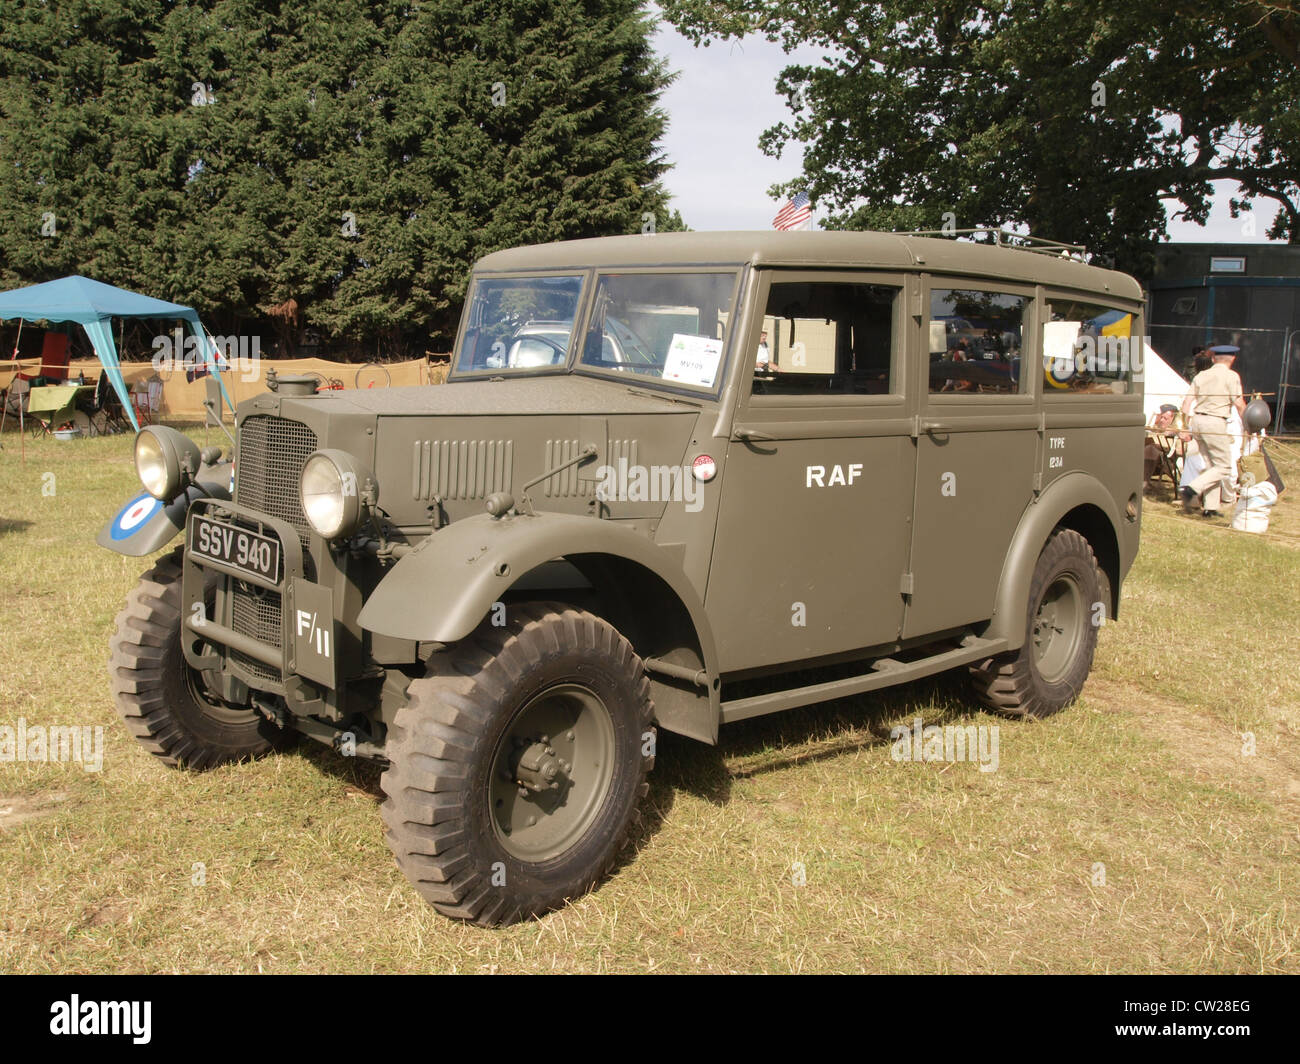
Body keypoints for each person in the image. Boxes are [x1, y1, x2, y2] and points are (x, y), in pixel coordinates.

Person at [1180, 345, 1246, 517]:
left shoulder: (1202, 375)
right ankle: (1192, 489)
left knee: (1211, 466)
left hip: (1197, 421)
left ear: (1214, 358)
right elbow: (1239, 404)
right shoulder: (1232, 376)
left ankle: (1210, 508)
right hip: (1215, 422)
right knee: (1223, 467)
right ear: (1232, 359)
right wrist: (1249, 425)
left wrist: (1184, 427)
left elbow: (1186, 403)